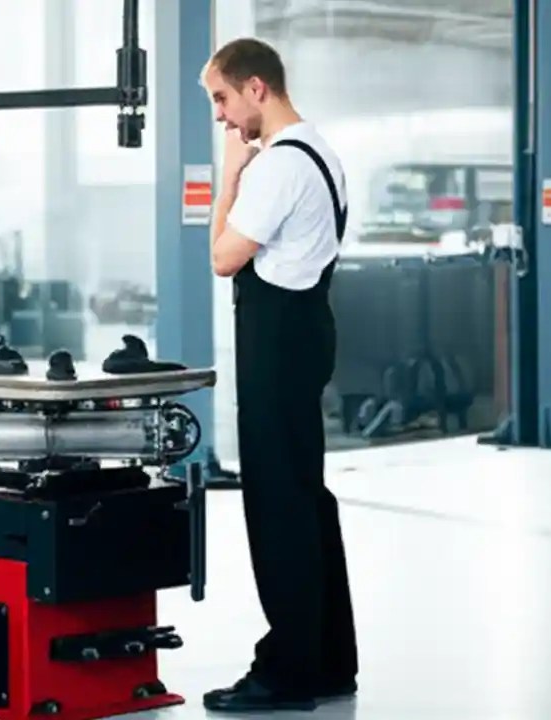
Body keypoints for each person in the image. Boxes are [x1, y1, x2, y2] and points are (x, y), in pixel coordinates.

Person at [198, 37, 359, 713]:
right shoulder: (322, 152)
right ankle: (329, 662)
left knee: (277, 504)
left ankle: (287, 672)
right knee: (307, 497)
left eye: (222, 99)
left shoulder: (276, 167)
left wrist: (230, 177)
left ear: (256, 88)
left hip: (277, 344)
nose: (221, 115)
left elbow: (222, 257)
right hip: (307, 331)